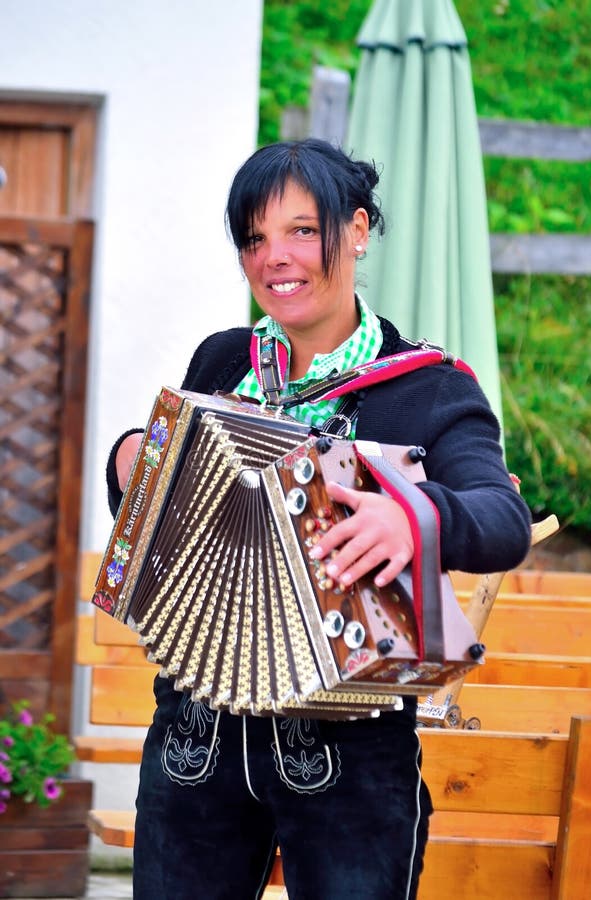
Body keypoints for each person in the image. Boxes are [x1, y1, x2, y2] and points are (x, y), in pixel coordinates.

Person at [106, 138, 532, 900]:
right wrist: (128, 459)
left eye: (304, 230)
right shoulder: (221, 362)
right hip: (196, 730)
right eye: (255, 237)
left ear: (358, 230)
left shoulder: (430, 388)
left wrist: (414, 514)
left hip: (350, 739)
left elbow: (501, 516)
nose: (277, 256)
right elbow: (166, 504)